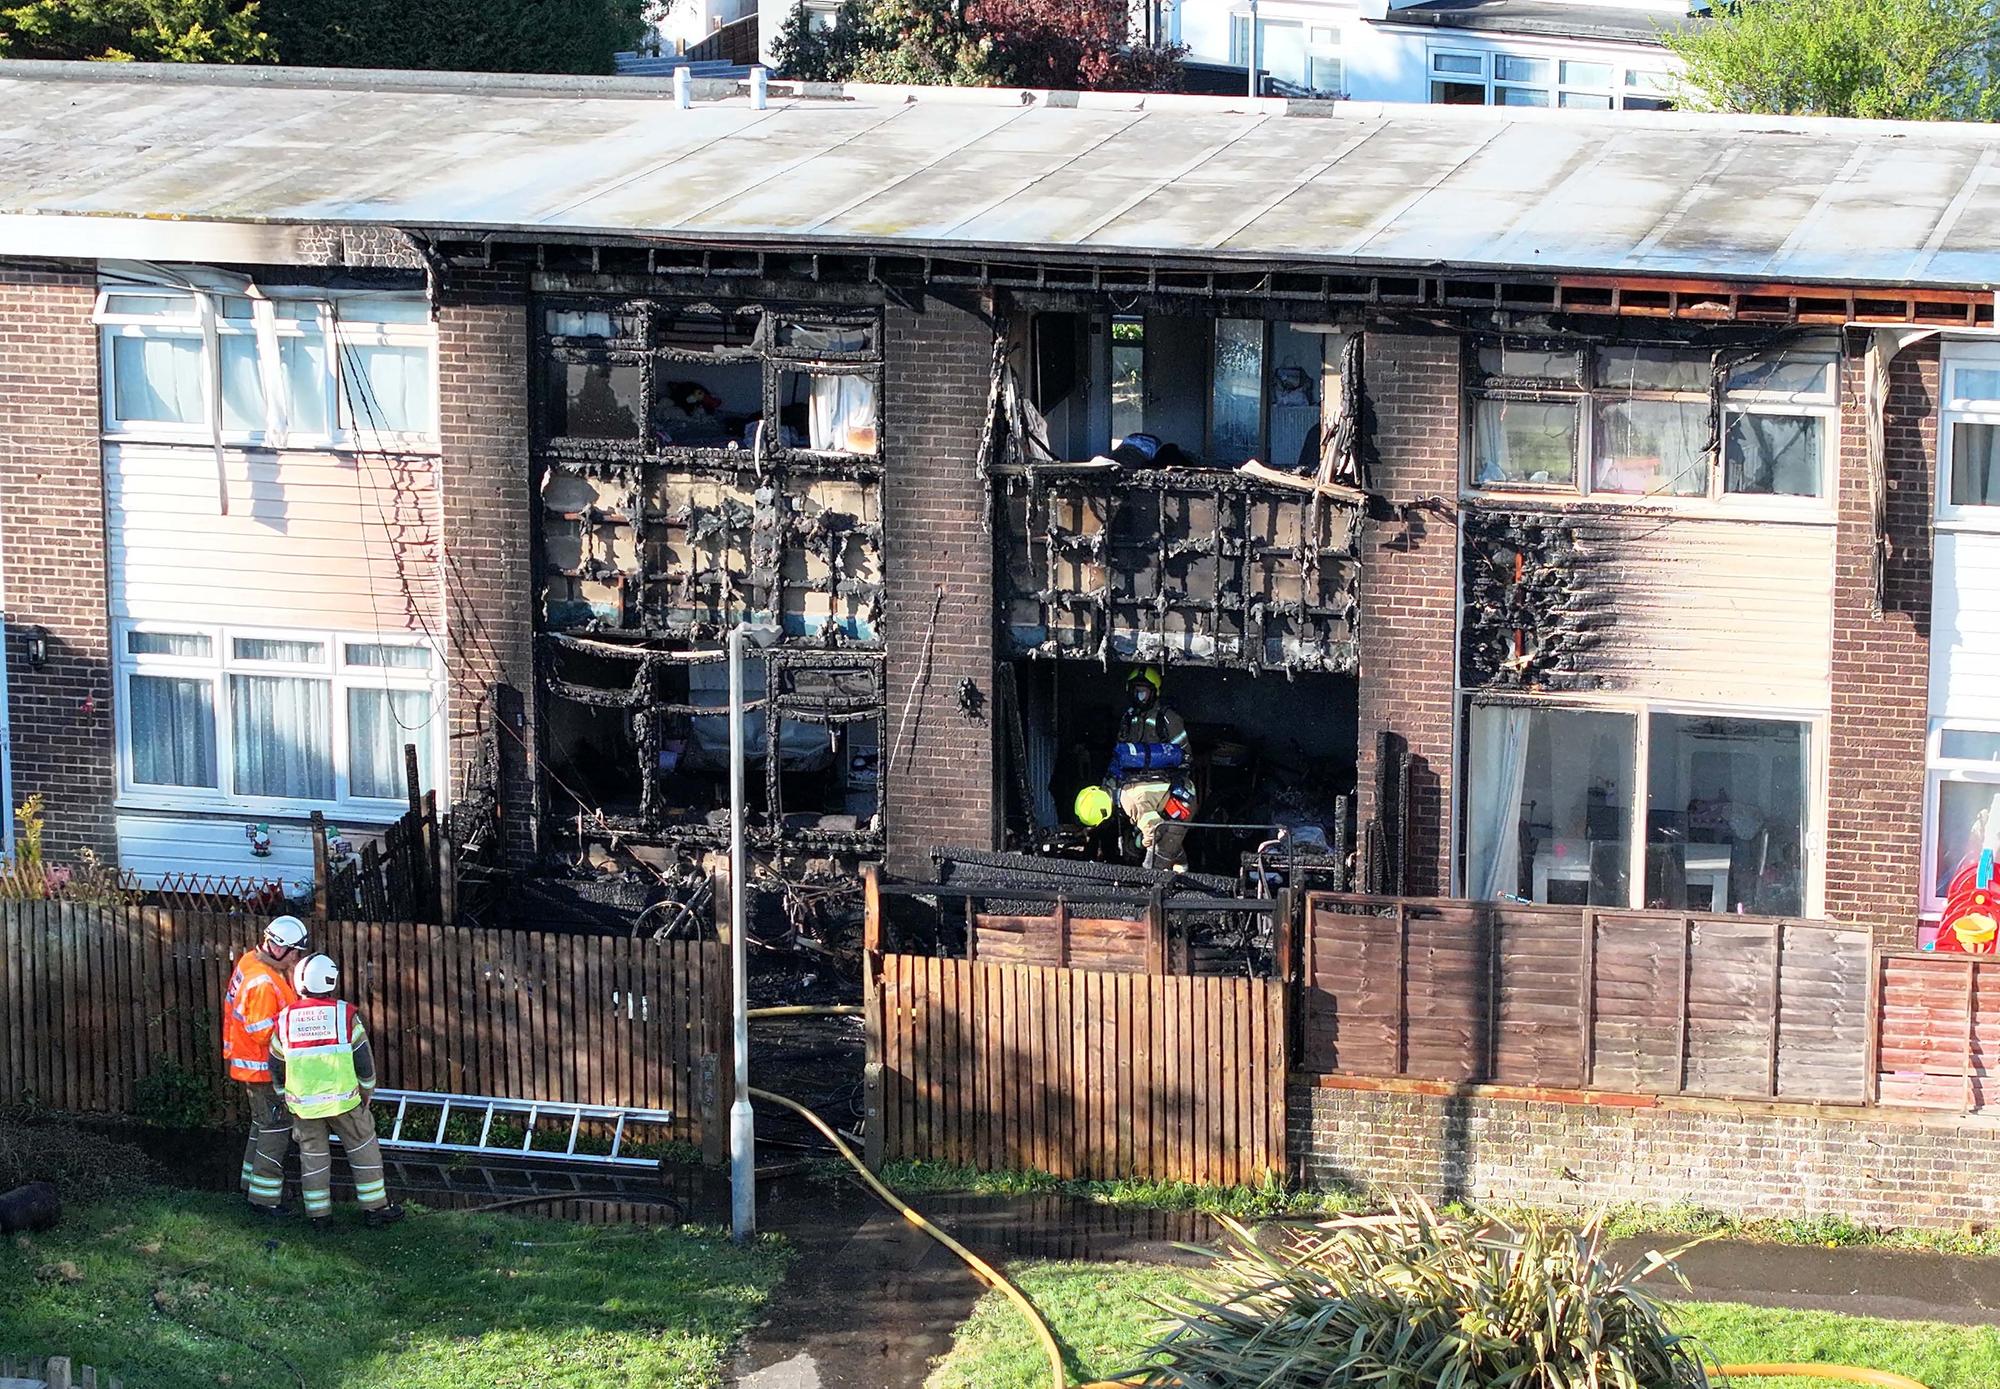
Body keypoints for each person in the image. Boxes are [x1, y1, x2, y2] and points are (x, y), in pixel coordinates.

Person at [266, 954, 403, 1227]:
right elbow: (363, 1059)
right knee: (364, 1149)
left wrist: (282, 1093)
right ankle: (375, 1210)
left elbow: (276, 1062)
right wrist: (367, 1091)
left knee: (313, 1157)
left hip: (304, 1107)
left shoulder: (285, 1019)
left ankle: (319, 1216)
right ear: (331, 981)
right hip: (346, 1103)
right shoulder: (344, 1015)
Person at [223, 915, 308, 1212]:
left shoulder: (252, 962)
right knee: (276, 1129)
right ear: (278, 948)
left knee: (261, 1126)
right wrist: (293, 1023)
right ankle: (265, 1199)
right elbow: (260, 1031)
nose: (296, 958)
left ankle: (250, 1186)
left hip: (254, 1068)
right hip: (263, 1070)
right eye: (294, 951)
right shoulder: (263, 981)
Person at [1103, 666, 1199, 870]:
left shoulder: (1168, 719)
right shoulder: (1128, 718)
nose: (1140, 696)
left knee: (1158, 855)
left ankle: (1158, 886)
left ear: (1154, 692)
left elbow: (1186, 756)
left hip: (1170, 791)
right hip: (1139, 788)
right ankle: (1179, 871)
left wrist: (1157, 760)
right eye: (1136, 690)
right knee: (1134, 847)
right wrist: (1111, 780)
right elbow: (1119, 754)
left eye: (1144, 691)